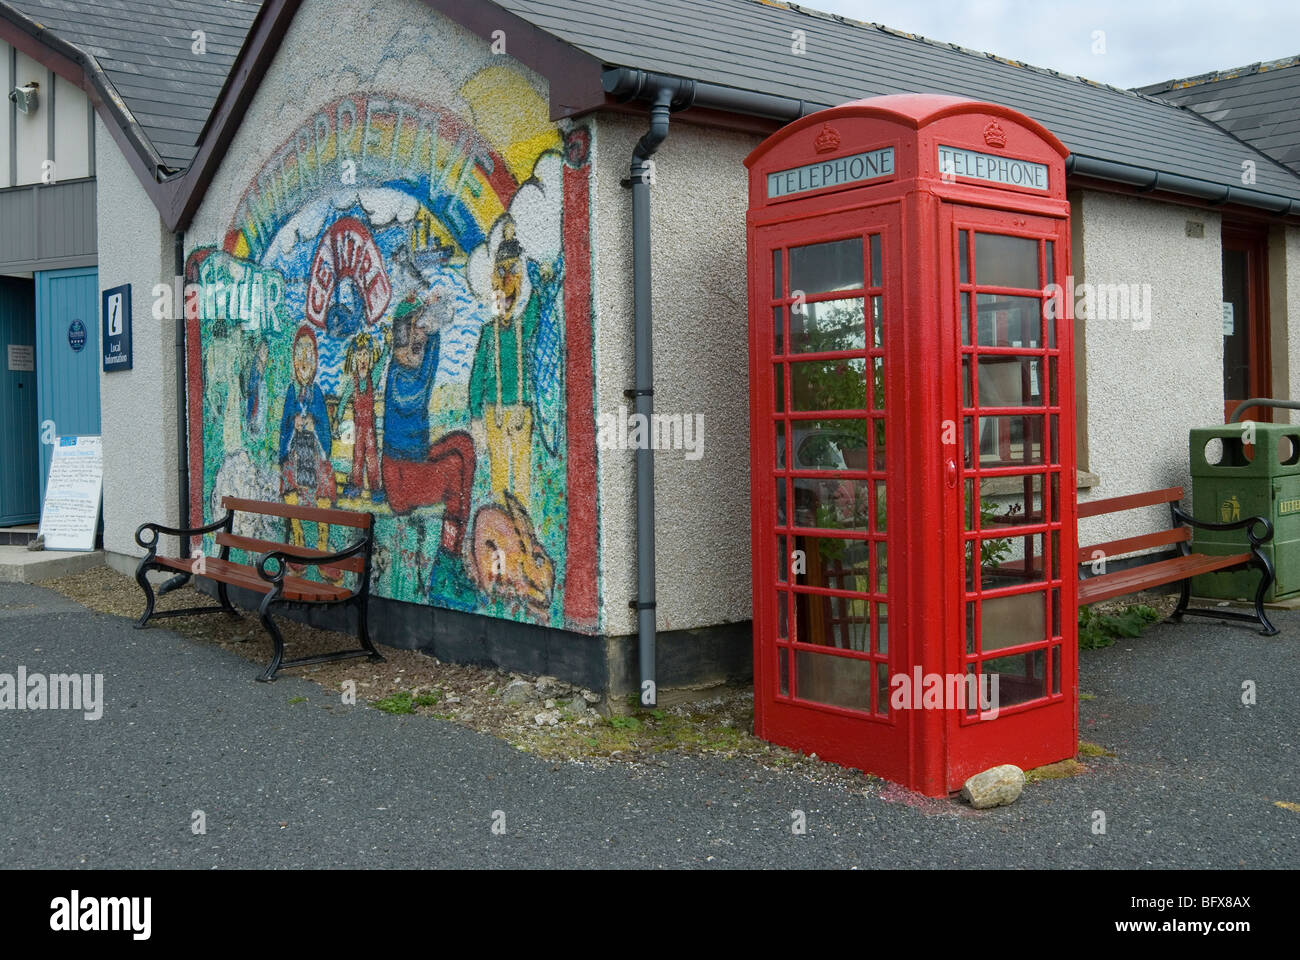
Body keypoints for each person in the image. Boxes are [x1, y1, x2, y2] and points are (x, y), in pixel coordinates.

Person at [380, 293, 477, 604]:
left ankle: (452, 551)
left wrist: (428, 327)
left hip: (414, 462)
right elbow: (422, 384)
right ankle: (447, 562)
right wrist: (430, 336)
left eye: (415, 339)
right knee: (454, 473)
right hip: (401, 479)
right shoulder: (399, 379)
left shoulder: (411, 370)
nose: (412, 348)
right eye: (407, 337)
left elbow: (427, 368)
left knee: (463, 444)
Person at [469, 220, 540, 511]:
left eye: (513, 272)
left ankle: (522, 529)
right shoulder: (488, 332)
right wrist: (475, 419)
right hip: (494, 413)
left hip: (522, 410)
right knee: (499, 477)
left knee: (521, 478)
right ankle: (502, 530)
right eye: (501, 272)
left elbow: (538, 300)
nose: (506, 281)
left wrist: (538, 266)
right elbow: (476, 378)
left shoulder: (526, 324)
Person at [279, 325, 335, 557]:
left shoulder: (318, 393)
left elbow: (325, 427)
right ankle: (298, 534)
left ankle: (322, 539)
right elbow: (283, 427)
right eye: (300, 353)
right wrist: (293, 425)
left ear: (316, 360)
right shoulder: (292, 392)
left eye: (309, 354)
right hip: (295, 453)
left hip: (313, 453)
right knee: (288, 478)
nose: (304, 360)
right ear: (294, 359)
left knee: (325, 479)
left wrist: (314, 426)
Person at [337, 329, 385, 503]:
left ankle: (375, 489)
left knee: (372, 458)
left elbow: (381, 364)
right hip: (357, 427)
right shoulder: (353, 381)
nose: (363, 359)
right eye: (359, 355)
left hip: (369, 427)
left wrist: (387, 345)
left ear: (370, 357)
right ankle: (356, 486)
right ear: (354, 358)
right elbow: (343, 401)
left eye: (366, 355)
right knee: (357, 458)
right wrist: (338, 418)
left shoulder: (373, 378)